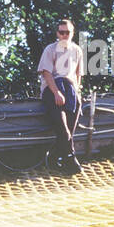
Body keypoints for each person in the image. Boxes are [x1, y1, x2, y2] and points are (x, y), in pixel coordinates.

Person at [37, 19, 85, 174]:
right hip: (53, 88)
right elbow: (46, 73)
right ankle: (71, 159)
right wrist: (56, 92)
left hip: (70, 89)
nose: (64, 35)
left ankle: (55, 159)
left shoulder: (77, 50)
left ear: (72, 33)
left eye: (67, 32)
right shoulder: (50, 49)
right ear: (57, 33)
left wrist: (77, 93)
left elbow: (78, 74)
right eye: (61, 32)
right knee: (63, 129)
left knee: (69, 129)